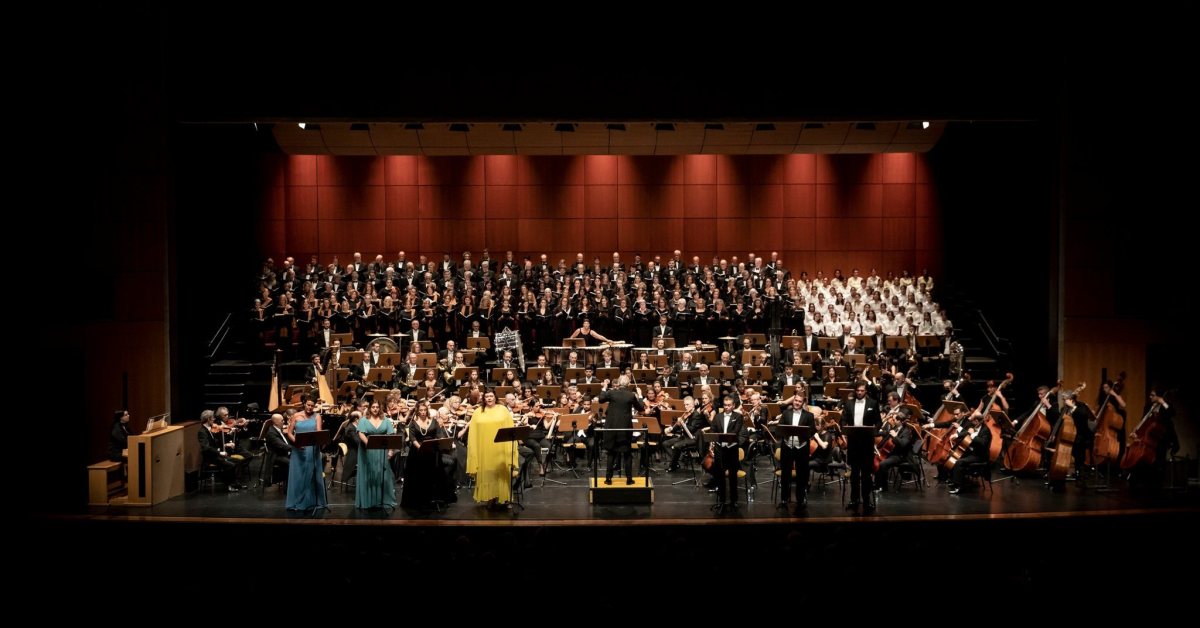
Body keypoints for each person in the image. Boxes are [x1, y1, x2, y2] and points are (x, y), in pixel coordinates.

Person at [466, 390, 519, 506]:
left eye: (491, 396)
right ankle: (489, 497)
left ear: (495, 397)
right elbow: (473, 433)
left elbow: (510, 428)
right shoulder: (478, 412)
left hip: (500, 447)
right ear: (483, 399)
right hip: (484, 447)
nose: (489, 398)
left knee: (500, 472)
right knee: (487, 472)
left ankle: (504, 497)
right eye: (486, 396)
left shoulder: (503, 410)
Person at [840, 382, 881, 513]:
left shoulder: (873, 403)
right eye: (857, 390)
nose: (859, 393)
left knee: (866, 475)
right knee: (854, 474)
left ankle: (867, 500)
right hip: (853, 443)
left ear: (866, 392)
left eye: (862, 391)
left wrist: (874, 431)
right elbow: (843, 420)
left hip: (867, 443)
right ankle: (854, 500)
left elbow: (878, 421)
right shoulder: (848, 404)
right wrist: (844, 428)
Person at [598, 374, 645, 485]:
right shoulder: (631, 395)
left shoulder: (612, 393)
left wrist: (604, 387)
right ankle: (629, 479)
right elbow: (641, 409)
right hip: (625, 429)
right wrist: (640, 395)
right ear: (628, 384)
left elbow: (600, 399)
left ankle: (608, 479)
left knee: (611, 453)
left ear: (618, 383)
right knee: (627, 454)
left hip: (611, 429)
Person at [286, 398, 328, 511]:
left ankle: (311, 501)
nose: (310, 407)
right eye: (308, 405)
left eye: (312, 406)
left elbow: (318, 431)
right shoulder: (296, 416)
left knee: (311, 474)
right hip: (298, 449)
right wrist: (296, 442)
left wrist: (321, 442)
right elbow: (289, 432)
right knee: (299, 475)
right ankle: (297, 500)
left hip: (312, 449)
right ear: (304, 404)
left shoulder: (317, 416)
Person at [774, 394, 815, 509]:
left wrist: (803, 432)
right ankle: (783, 500)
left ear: (803, 403)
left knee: (802, 475)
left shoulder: (809, 415)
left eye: (799, 401)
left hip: (801, 447)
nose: (796, 403)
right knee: (785, 475)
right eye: (795, 400)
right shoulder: (786, 413)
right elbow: (779, 429)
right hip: (787, 446)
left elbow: (812, 431)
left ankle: (800, 500)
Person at [355, 401, 396, 510]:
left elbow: (391, 435)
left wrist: (390, 450)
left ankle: (381, 500)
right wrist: (369, 444)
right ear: (369, 408)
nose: (375, 409)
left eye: (377, 407)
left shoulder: (385, 420)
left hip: (381, 451)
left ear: (380, 408)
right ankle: (369, 500)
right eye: (373, 407)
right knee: (369, 473)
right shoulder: (364, 420)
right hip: (367, 450)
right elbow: (360, 433)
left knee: (381, 473)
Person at [710, 395, 748, 511]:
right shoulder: (718, 416)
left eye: (729, 405)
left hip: (731, 450)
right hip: (720, 450)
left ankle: (734, 500)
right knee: (720, 477)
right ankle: (721, 500)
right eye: (725, 405)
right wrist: (713, 441)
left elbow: (735, 431)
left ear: (733, 406)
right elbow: (713, 429)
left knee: (733, 477)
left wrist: (724, 439)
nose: (726, 407)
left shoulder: (738, 417)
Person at [263, 412, 291, 486]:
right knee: (291, 463)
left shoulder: (277, 429)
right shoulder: (271, 433)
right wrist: (294, 448)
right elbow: (281, 445)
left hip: (282, 453)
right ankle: (288, 486)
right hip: (276, 456)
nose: (284, 422)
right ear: (276, 422)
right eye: (282, 420)